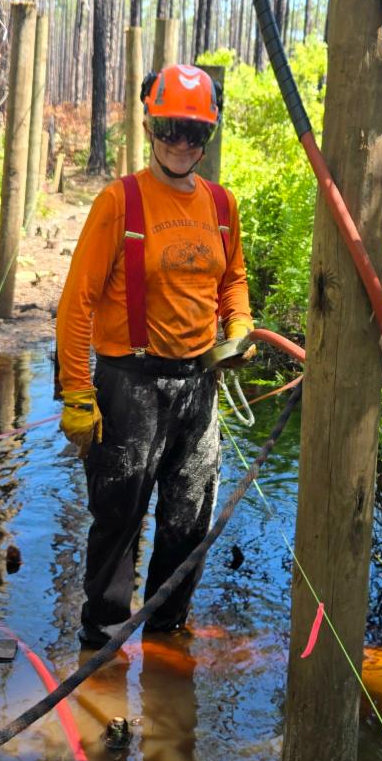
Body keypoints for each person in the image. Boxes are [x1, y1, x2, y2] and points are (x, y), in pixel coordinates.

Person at [56, 63, 254, 648]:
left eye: (194, 133)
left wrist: (238, 324)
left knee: (188, 520)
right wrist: (76, 393)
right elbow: (76, 305)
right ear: (149, 124)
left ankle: (167, 641)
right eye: (169, 128)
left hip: (198, 385)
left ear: (208, 136)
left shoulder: (221, 205)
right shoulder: (120, 202)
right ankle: (103, 647)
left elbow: (233, 279)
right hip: (129, 384)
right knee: (119, 520)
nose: (180, 143)